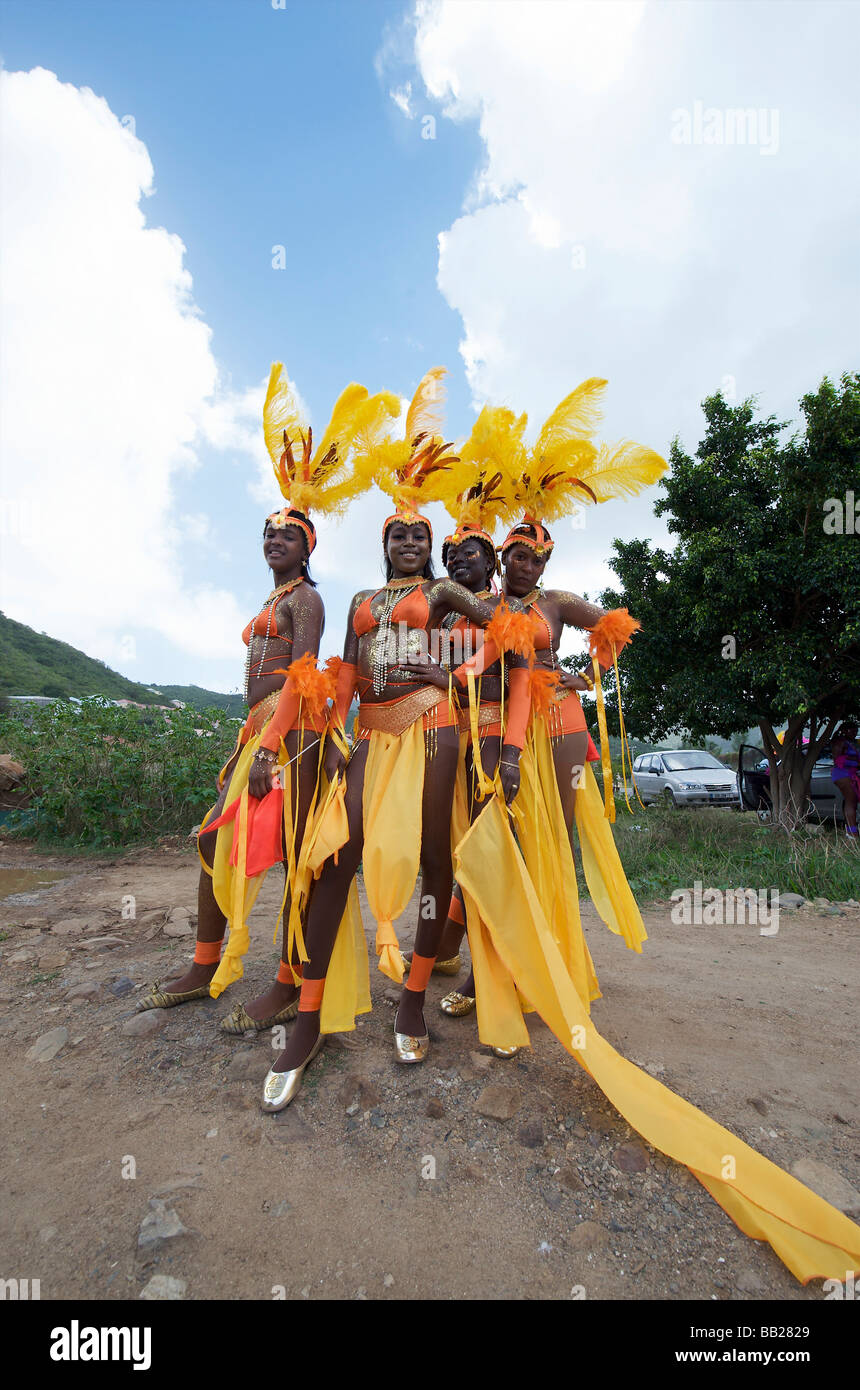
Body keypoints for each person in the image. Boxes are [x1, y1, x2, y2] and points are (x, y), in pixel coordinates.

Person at [259, 370, 528, 1111]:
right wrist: (327, 731)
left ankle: (412, 999)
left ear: (430, 547)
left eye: (420, 536)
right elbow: (347, 672)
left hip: (434, 729)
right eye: (399, 535)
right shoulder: (357, 599)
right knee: (334, 855)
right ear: (384, 544)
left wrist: (470, 658)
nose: (410, 542)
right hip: (370, 736)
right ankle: (309, 1018)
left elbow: (505, 624)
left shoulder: (442, 593)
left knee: (434, 859)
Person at [138, 366, 398, 1030]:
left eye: (287, 534)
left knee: (296, 856)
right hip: (260, 729)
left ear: (307, 548)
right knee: (213, 842)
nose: (274, 539)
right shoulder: (272, 597)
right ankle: (204, 965)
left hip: (295, 733)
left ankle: (288, 983)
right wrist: (251, 741)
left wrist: (272, 745)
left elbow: (306, 672)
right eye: (268, 533)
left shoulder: (306, 599)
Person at [831, 720, 859, 838]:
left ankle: (851, 831)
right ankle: (852, 833)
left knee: (852, 801)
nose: (854, 733)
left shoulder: (850, 742)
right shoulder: (840, 742)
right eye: (852, 731)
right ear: (844, 731)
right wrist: (854, 760)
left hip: (849, 774)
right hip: (843, 774)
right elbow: (837, 759)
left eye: (856, 731)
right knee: (850, 801)